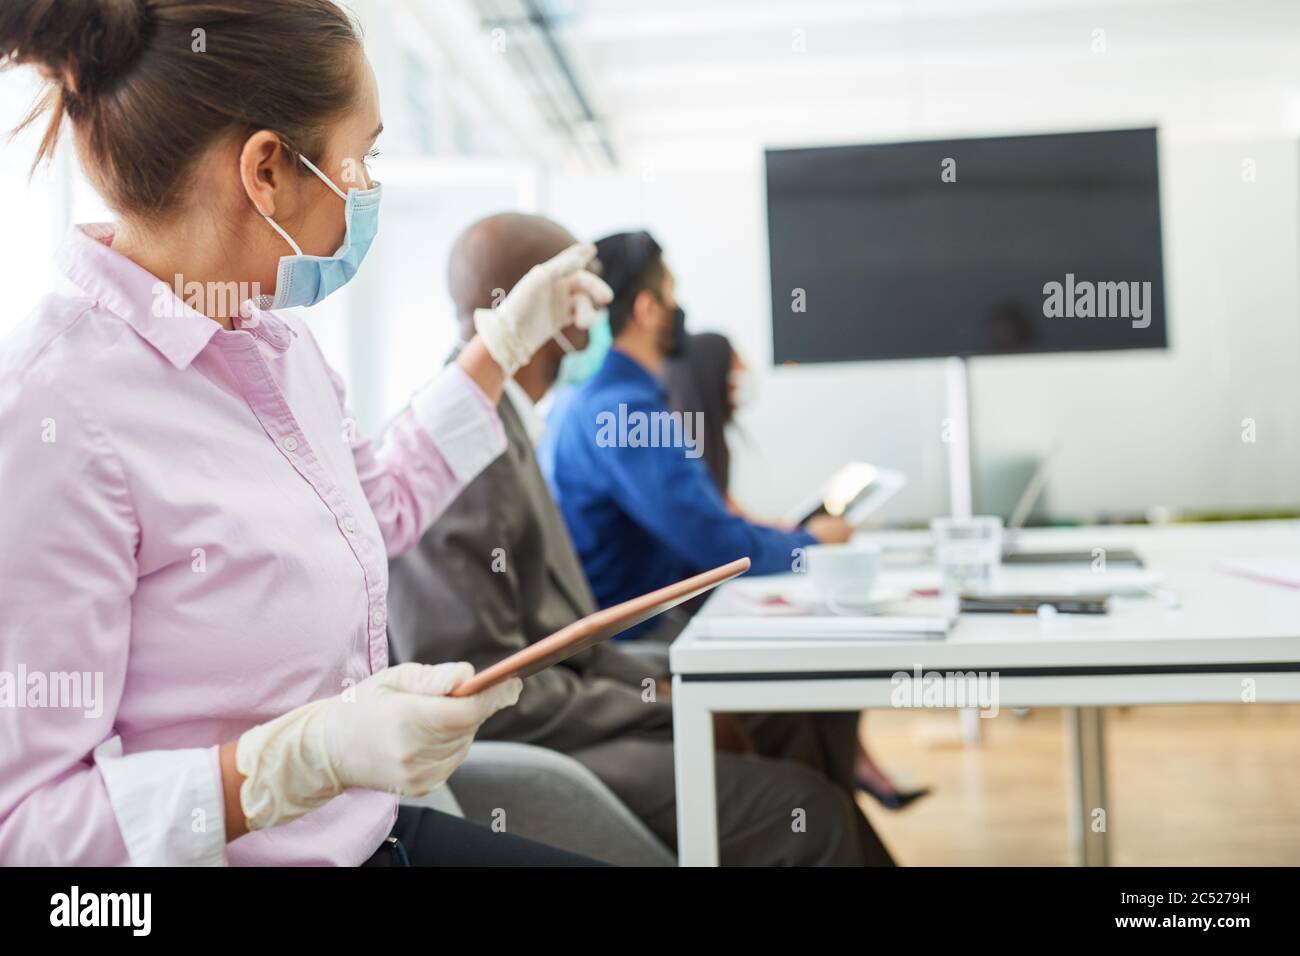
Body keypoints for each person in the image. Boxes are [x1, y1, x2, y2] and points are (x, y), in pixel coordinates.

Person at [0, 0, 612, 866]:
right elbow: (27, 836)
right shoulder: (54, 413)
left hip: (369, 833)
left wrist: (500, 347)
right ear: (267, 172)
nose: (368, 190)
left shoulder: (271, 344)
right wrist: (292, 762)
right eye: (363, 158)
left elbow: (383, 508)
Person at [388, 213, 895, 865]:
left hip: (587, 696)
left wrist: (663, 693)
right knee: (807, 810)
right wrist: (662, 703)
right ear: (540, 300)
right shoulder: (453, 450)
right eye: (589, 290)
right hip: (546, 748)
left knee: (790, 722)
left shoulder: (511, 425)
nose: (603, 309)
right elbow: (485, 691)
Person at [541, 231, 853, 640]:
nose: (679, 310)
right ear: (647, 309)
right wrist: (811, 545)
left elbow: (705, 524)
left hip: (619, 626)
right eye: (671, 294)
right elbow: (714, 545)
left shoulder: (584, 401)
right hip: (630, 641)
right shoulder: (627, 412)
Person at [665, 332, 931, 811]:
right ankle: (839, 796)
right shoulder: (674, 446)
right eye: (736, 373)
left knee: (830, 695)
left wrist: (790, 531)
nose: (744, 383)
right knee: (807, 696)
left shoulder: (698, 446)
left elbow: (733, 521)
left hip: (712, 613)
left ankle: (844, 788)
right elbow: (724, 541)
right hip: (688, 625)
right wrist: (808, 541)